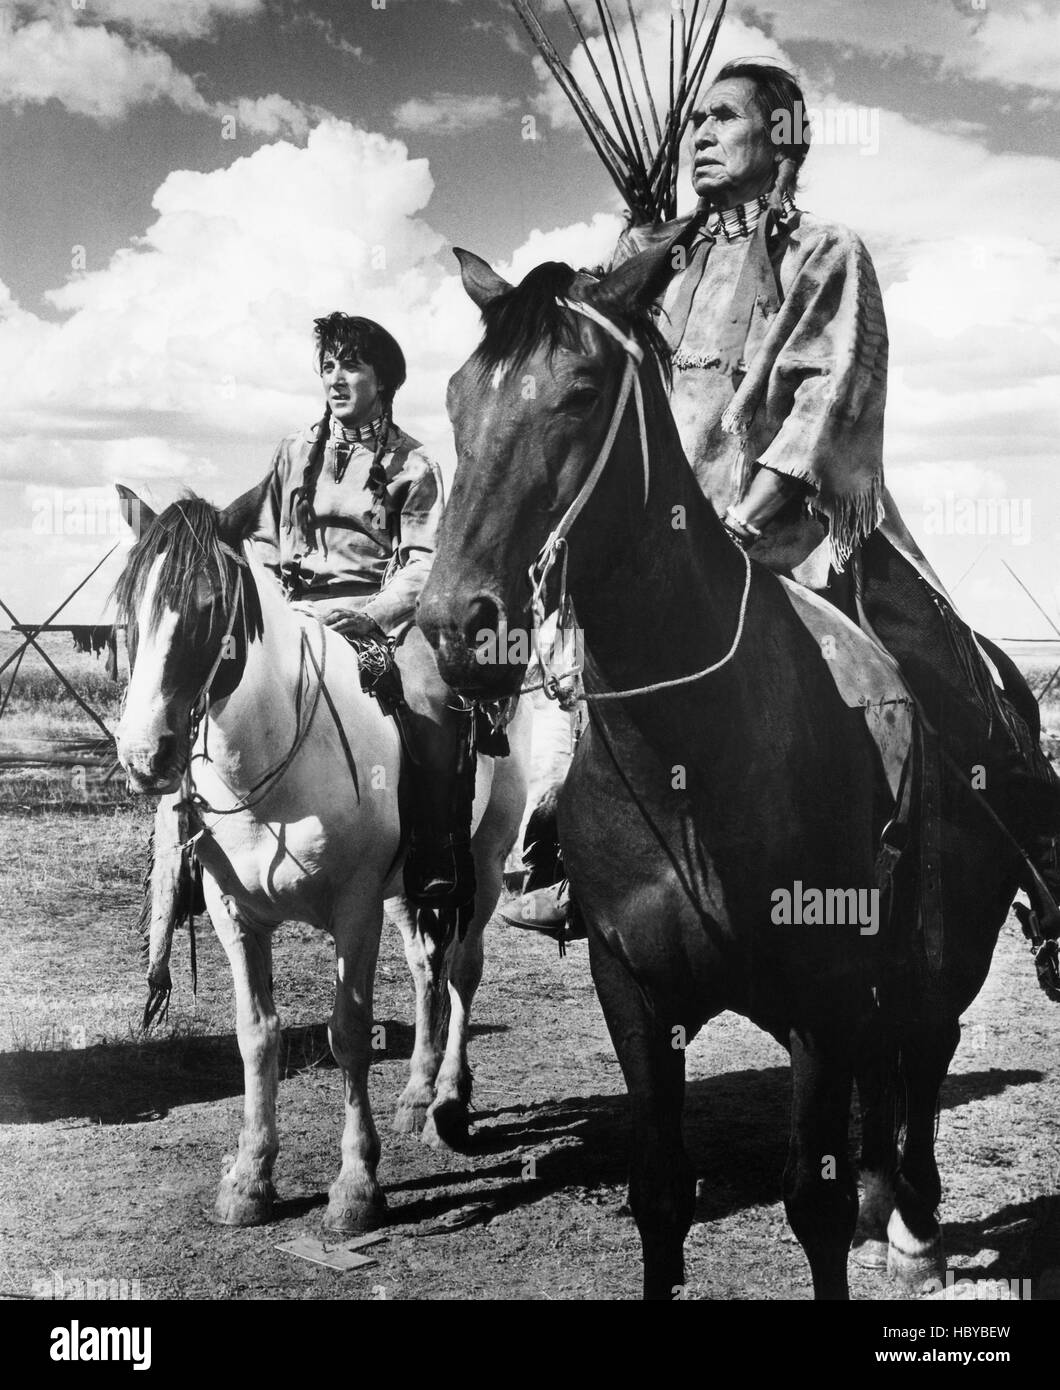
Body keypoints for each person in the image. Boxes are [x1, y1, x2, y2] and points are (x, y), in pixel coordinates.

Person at [504, 58, 1060, 942]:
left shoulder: (826, 251)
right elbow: (596, 368)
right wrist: (631, 249)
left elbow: (829, 399)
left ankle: (1040, 863)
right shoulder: (666, 262)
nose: (702, 136)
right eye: (696, 123)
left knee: (934, 675)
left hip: (795, 530)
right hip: (667, 547)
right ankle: (570, 859)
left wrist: (743, 517)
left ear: (785, 139)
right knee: (582, 690)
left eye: (724, 119)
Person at [251, 312, 476, 913]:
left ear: (385, 382)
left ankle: (433, 850)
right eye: (328, 366)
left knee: (433, 698)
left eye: (351, 365)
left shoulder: (415, 465)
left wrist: (370, 618)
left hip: (379, 620)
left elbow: (423, 565)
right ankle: (189, 853)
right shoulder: (292, 453)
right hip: (291, 614)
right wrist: (275, 608)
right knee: (208, 687)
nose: (336, 378)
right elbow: (267, 542)